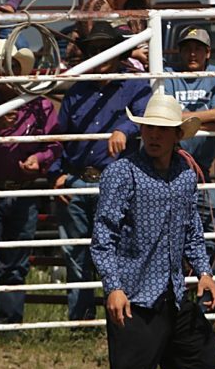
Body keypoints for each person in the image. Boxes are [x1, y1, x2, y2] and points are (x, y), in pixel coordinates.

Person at [91, 94, 215, 369]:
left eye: (161, 130)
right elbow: (103, 236)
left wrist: (203, 271)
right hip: (132, 295)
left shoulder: (185, 174)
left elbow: (191, 230)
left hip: (172, 291)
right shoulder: (121, 174)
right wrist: (113, 285)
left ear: (174, 135)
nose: (153, 136)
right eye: (148, 128)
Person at [49, 22, 152, 320]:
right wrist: (57, 173)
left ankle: (122, 315)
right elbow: (59, 137)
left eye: (105, 47)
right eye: (93, 49)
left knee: (120, 249)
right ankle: (81, 317)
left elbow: (144, 115)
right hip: (78, 179)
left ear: (118, 52)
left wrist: (124, 128)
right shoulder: (77, 91)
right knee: (75, 252)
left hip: (117, 180)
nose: (99, 53)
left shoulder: (134, 84)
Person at [0, 39, 61, 325]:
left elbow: (55, 143)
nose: (6, 70)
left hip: (23, 190)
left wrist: (40, 159)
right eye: (0, 65)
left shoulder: (39, 103)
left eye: (12, 65)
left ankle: (9, 321)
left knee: (16, 260)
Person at [161, 27, 215, 306]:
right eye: (186, 48)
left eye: (198, 48)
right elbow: (169, 117)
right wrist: (208, 117)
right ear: (179, 51)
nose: (191, 53)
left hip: (199, 174)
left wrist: (188, 119)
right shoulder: (168, 74)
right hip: (168, 173)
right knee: (167, 243)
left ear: (207, 53)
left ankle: (209, 304)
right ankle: (178, 307)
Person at [71, 0, 153, 65]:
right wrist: (133, 54)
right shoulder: (96, 5)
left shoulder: (133, 11)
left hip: (125, 64)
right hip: (88, 65)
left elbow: (141, 40)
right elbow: (94, 45)